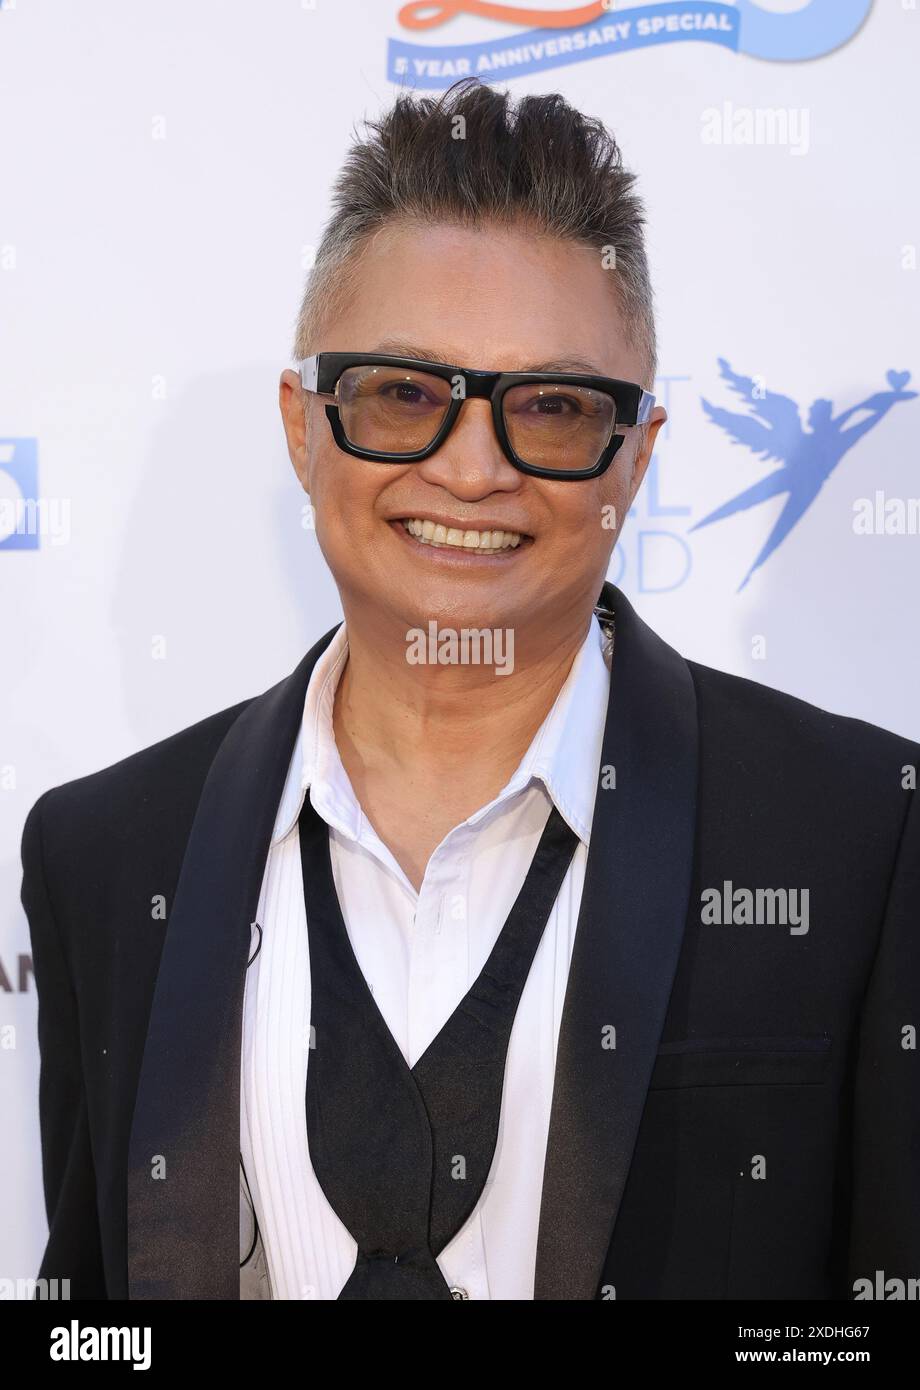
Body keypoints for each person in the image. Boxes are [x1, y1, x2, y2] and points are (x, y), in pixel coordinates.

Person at [22, 78, 918, 1301]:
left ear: (637, 453)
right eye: (403, 393)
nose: (471, 467)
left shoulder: (861, 830)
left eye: (551, 408)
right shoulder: (106, 851)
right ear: (302, 424)